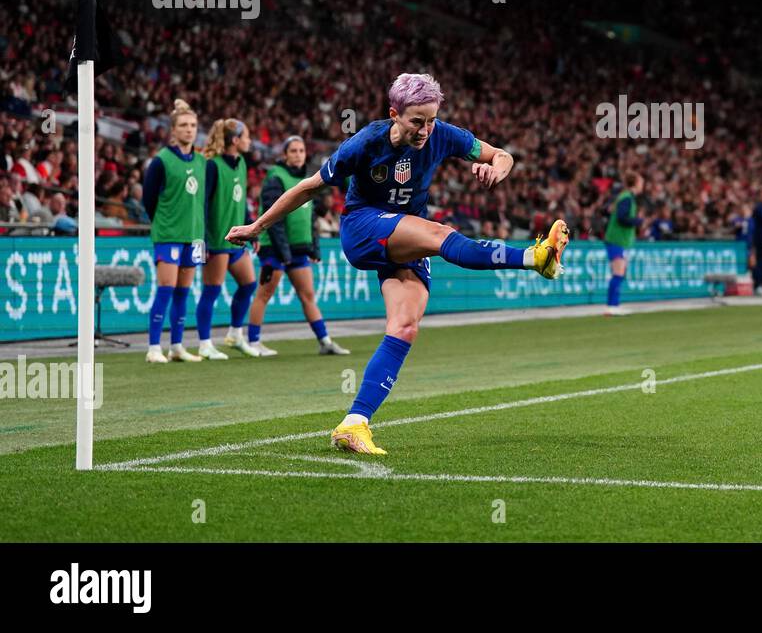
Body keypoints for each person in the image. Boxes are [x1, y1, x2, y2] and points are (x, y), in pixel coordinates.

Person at [225, 73, 569, 455]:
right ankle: (534, 257)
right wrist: (258, 226)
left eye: (432, 120)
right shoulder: (365, 143)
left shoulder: (443, 134)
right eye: (416, 121)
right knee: (439, 235)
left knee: (404, 327)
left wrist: (495, 170)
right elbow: (308, 187)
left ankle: (354, 423)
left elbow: (503, 155)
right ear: (394, 114)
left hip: (405, 237)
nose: (425, 130)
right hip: (364, 226)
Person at [241, 135, 349, 356]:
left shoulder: (308, 180)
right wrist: (285, 254)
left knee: (308, 295)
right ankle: (253, 342)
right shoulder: (275, 178)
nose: (298, 154)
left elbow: (309, 218)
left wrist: (314, 248)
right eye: (294, 151)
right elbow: (273, 220)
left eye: (301, 150)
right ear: (285, 155)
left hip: (297, 249)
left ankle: (325, 341)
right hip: (276, 249)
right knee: (264, 294)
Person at [142, 99, 207, 363]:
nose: (189, 129)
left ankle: (177, 346)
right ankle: (153, 347)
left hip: (195, 235)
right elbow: (148, 199)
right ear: (173, 130)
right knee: (166, 288)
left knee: (184, 291)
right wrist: (164, 222)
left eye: (192, 125)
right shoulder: (161, 161)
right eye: (183, 125)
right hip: (168, 234)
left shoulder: (203, 161)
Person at [190, 117, 257, 360]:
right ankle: (204, 343)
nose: (250, 141)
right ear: (236, 140)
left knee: (249, 283)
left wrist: (253, 228)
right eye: (247, 136)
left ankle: (235, 335)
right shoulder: (212, 165)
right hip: (217, 239)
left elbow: (242, 202)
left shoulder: (241, 163)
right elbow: (203, 205)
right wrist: (203, 239)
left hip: (237, 239)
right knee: (212, 290)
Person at [603, 170, 643, 316]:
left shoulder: (626, 197)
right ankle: (611, 306)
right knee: (618, 272)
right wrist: (638, 221)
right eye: (641, 182)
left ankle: (614, 305)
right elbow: (621, 218)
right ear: (636, 183)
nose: (642, 185)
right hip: (616, 239)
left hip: (619, 240)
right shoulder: (626, 198)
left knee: (619, 272)